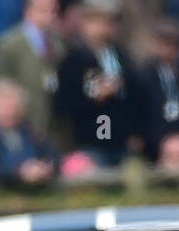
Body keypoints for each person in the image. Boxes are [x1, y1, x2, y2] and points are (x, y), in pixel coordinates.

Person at [55, 0, 144, 165]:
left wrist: (136, 131)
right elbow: (63, 104)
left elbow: (136, 97)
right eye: (100, 22)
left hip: (122, 141)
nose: (106, 28)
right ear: (86, 24)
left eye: (111, 22)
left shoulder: (122, 57)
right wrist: (93, 97)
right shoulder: (74, 61)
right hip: (90, 142)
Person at [0, 0, 67, 141]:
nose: (49, 16)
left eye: (53, 11)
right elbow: (3, 84)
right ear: (28, 11)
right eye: (42, 10)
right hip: (23, 122)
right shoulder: (9, 44)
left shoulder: (60, 44)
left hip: (54, 123)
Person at [0, 77, 60, 186]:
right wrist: (18, 173)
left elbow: (54, 156)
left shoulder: (31, 132)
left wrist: (45, 168)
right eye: (5, 105)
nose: (10, 111)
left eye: (13, 105)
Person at [139, 20, 179, 162]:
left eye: (173, 46)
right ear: (155, 46)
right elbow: (142, 114)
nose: (168, 51)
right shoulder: (144, 77)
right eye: (164, 45)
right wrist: (162, 141)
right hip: (157, 143)